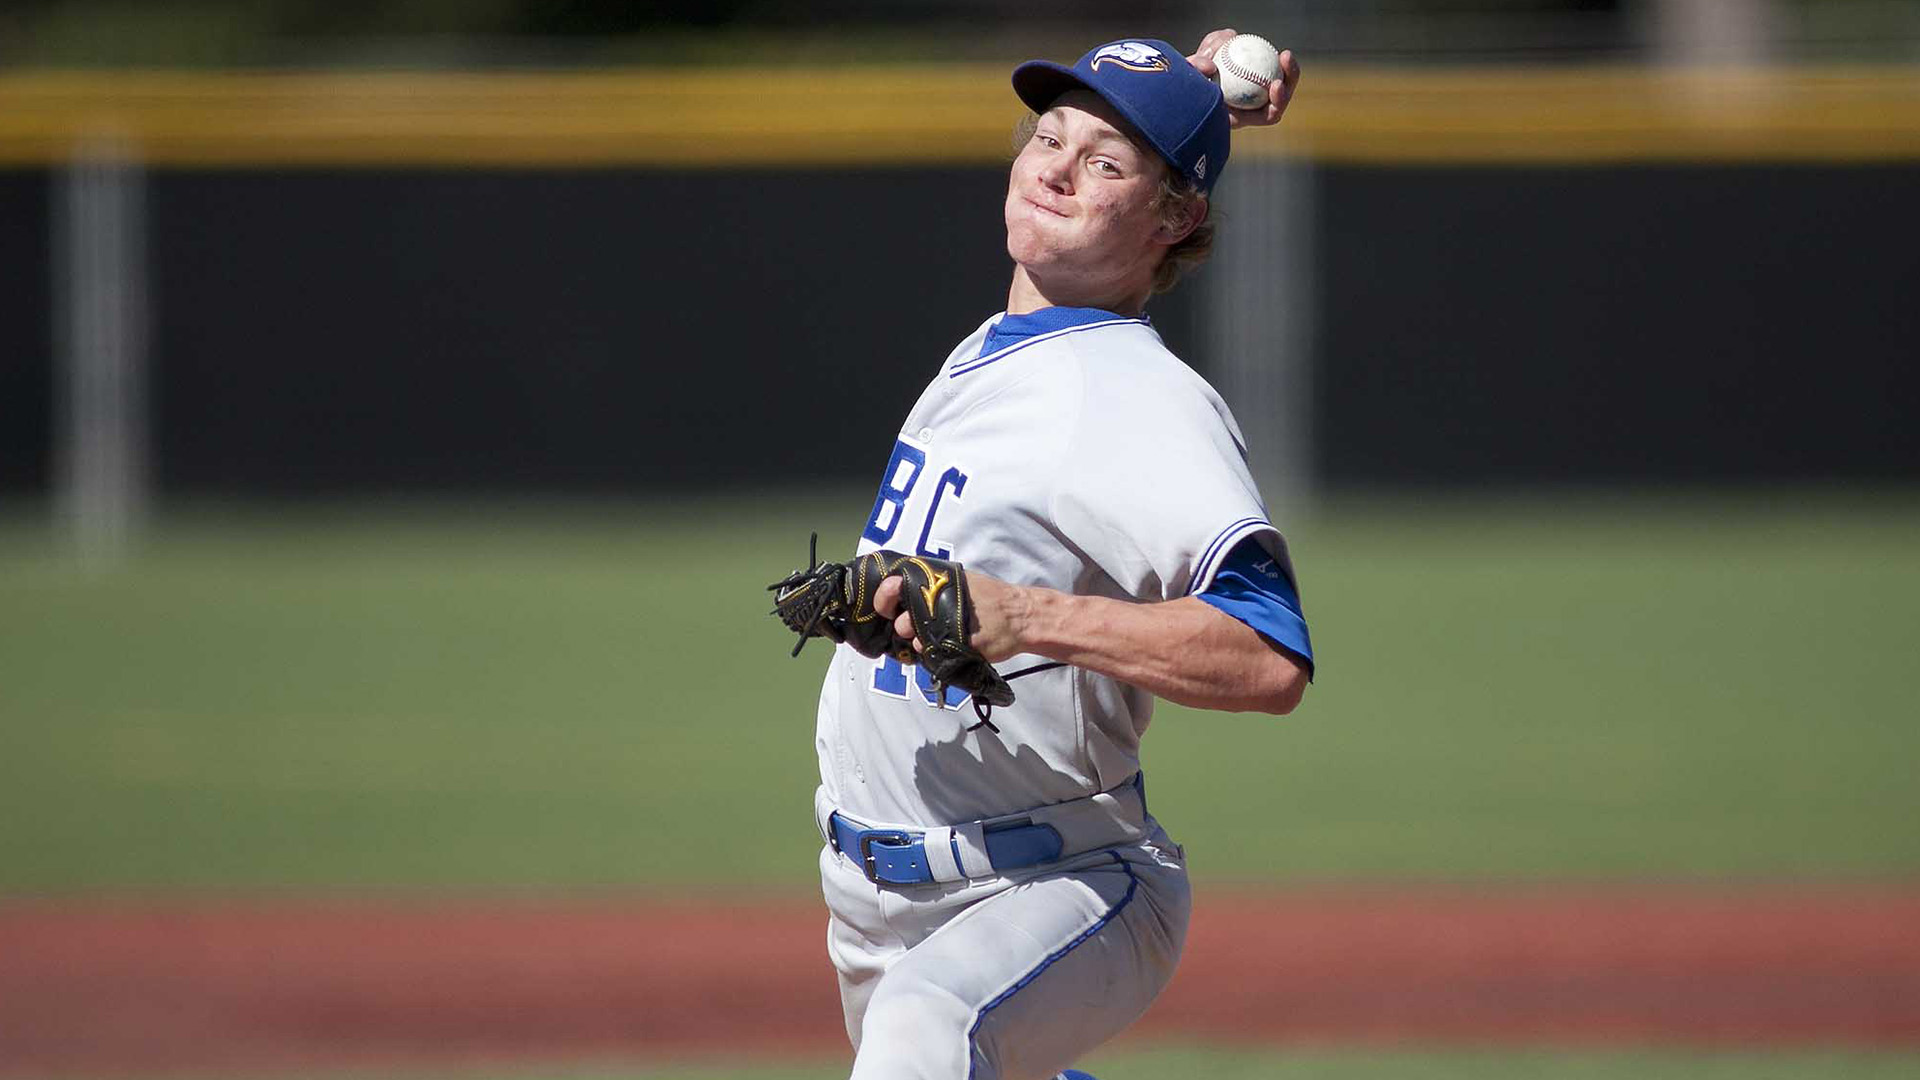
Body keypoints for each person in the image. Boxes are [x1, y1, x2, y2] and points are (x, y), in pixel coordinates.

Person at [808, 29, 1309, 1080]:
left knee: (928, 1032)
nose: (1058, 168)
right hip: (878, 905)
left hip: (1056, 886)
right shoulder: (1000, 350)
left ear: (1176, 219)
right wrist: (1179, 100)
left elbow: (1267, 656)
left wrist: (1028, 615)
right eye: (1048, 137)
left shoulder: (1133, 392)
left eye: (1105, 163)